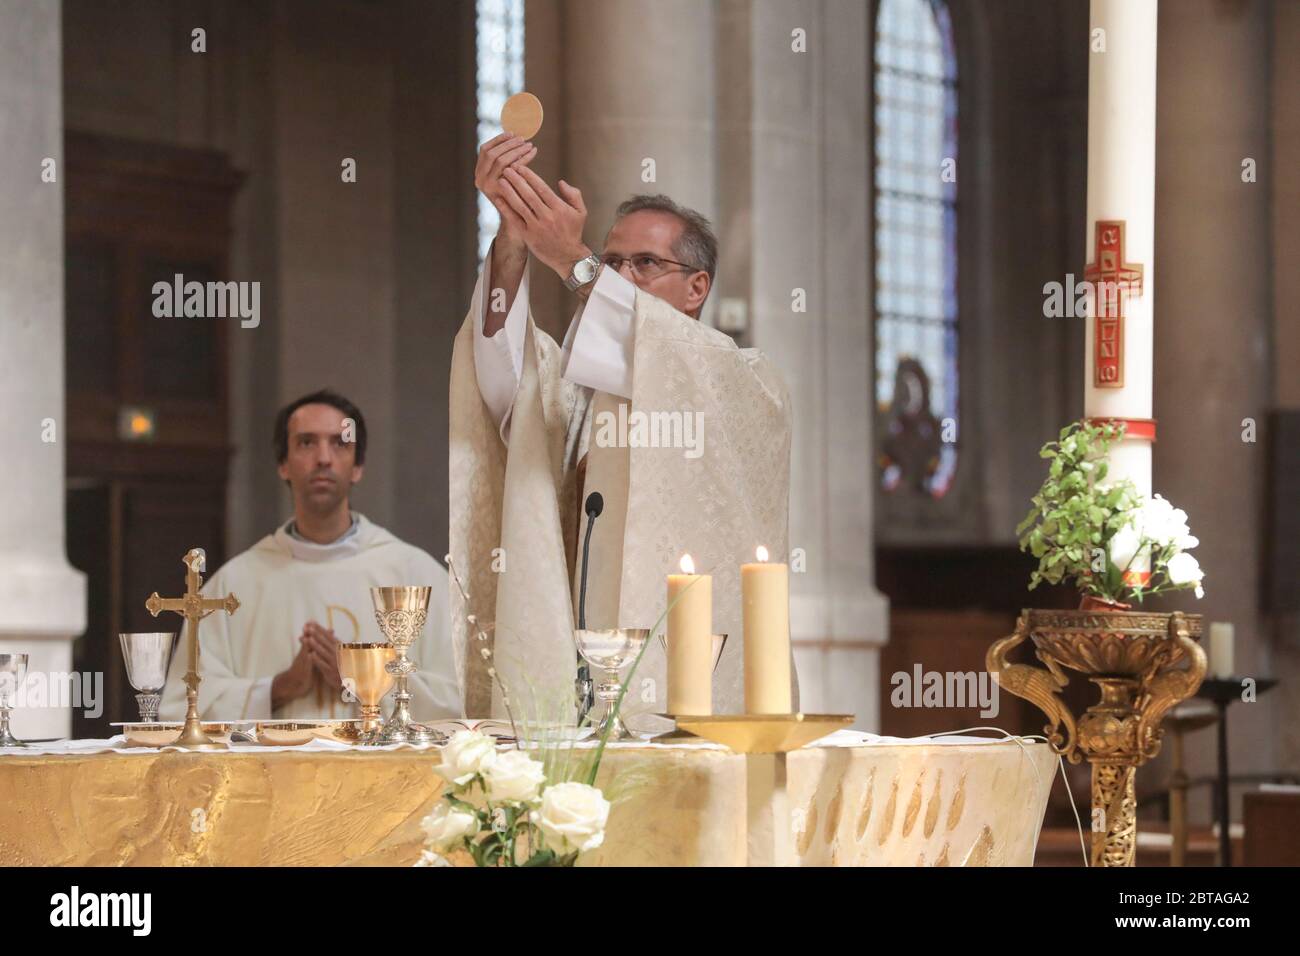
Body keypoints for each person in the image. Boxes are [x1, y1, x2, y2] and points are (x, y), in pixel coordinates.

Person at [448, 134, 796, 723]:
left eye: (646, 264)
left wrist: (570, 259)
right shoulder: (580, 391)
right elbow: (502, 382)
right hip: (580, 670)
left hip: (693, 685)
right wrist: (513, 237)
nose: (620, 278)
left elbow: (672, 357)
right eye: (613, 262)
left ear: (697, 289)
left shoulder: (745, 381)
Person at [161, 389, 460, 721]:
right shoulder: (234, 584)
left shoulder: (414, 575)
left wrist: (362, 678)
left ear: (358, 466)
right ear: (283, 465)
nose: (323, 458)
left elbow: (462, 700)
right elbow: (180, 711)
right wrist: (278, 688)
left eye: (339, 443)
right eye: (306, 443)